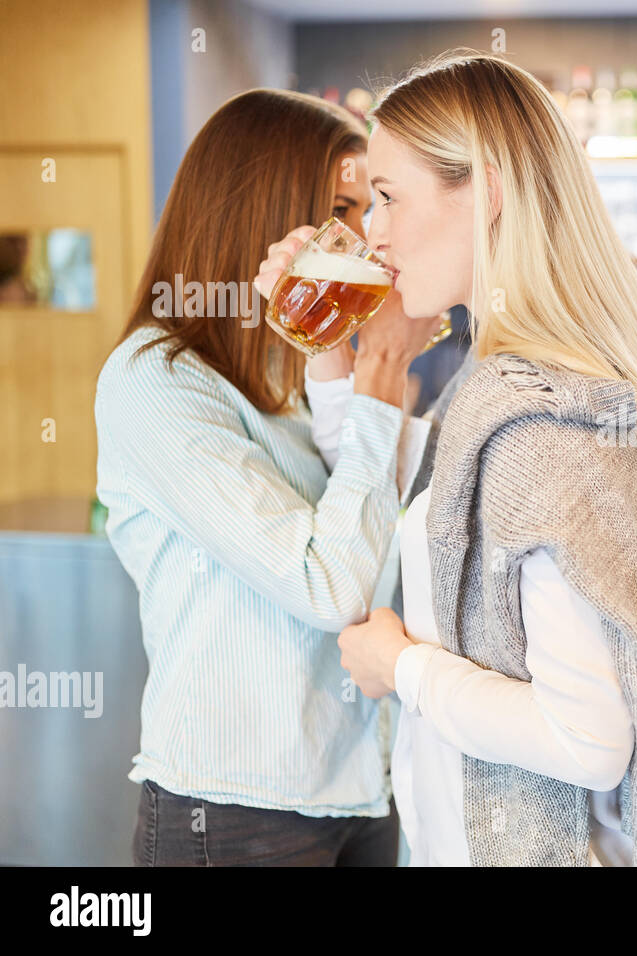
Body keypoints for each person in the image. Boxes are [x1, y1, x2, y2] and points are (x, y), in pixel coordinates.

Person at [272, 49, 637, 866]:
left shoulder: (539, 427)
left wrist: (402, 667)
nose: (372, 230)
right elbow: (403, 492)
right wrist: (326, 350)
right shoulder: (511, 390)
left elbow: (590, 740)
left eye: (389, 197)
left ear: (489, 192)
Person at [95, 89, 440, 866]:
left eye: (374, 209)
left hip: (359, 782)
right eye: (344, 211)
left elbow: (382, 534)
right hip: (234, 809)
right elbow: (330, 584)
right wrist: (380, 366)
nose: (370, 238)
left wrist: (337, 361)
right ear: (263, 212)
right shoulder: (157, 382)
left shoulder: (293, 377)